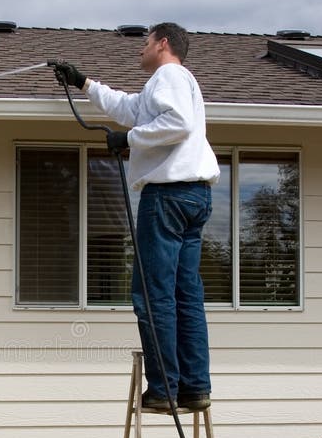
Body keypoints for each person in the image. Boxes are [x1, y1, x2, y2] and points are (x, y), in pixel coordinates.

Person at [54, 22, 219, 412]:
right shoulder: (168, 84)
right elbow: (129, 109)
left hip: (167, 196)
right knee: (184, 294)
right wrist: (83, 83)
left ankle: (164, 389)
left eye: (145, 43)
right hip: (193, 196)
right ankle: (194, 387)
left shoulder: (170, 74)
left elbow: (178, 123)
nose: (140, 50)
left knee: (152, 295)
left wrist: (126, 140)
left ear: (163, 43)